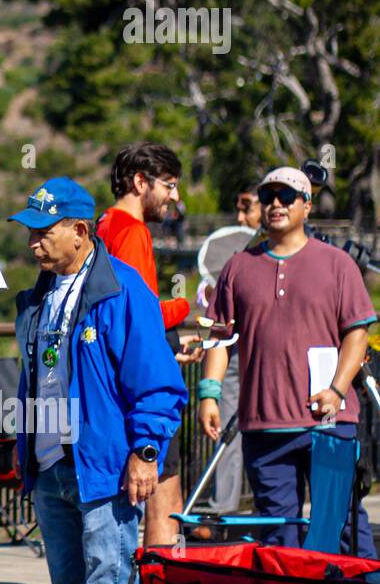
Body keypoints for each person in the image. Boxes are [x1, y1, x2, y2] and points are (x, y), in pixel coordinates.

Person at [12, 177, 185, 584]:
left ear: (79, 232)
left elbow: (158, 384)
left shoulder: (123, 290)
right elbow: (38, 378)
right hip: (51, 469)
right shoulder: (39, 298)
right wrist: (25, 445)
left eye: (44, 233)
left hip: (104, 473)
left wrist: (145, 452)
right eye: (31, 232)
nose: (34, 243)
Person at [199, 166, 376, 557]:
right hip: (264, 426)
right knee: (277, 534)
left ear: (307, 205)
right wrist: (209, 394)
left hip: (329, 423)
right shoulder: (238, 268)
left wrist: (336, 389)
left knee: (341, 525)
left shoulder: (337, 264)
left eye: (287, 196)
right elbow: (220, 337)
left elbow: (357, 334)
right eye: (267, 197)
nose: (276, 204)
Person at [96, 142, 201, 547]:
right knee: (165, 496)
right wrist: (187, 306)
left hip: (113, 382)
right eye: (170, 185)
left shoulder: (102, 225)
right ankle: (164, 580)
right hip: (143, 392)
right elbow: (142, 315)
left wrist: (169, 343)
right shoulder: (132, 231)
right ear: (141, 182)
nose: (175, 197)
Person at [205, 181, 264, 515]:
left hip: (268, 350)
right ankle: (222, 509)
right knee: (227, 426)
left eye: (248, 206)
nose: (241, 215)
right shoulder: (231, 250)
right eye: (239, 207)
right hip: (231, 347)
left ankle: (268, 505)